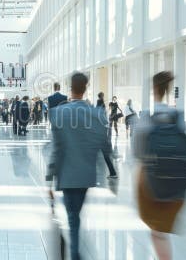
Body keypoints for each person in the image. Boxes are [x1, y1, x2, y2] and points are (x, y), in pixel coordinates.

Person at [48, 72, 112, 260]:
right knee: (75, 214)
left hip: (68, 175)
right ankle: (76, 252)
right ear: (86, 88)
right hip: (86, 174)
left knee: (73, 216)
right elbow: (104, 146)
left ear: (70, 88)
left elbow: (57, 150)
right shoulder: (97, 114)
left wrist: (48, 180)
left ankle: (75, 254)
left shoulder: (59, 113)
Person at [133, 71, 186, 260]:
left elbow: (137, 153)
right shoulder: (178, 118)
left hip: (152, 182)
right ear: (168, 89)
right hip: (177, 183)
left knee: (157, 232)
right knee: (161, 231)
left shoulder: (146, 118)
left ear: (154, 90)